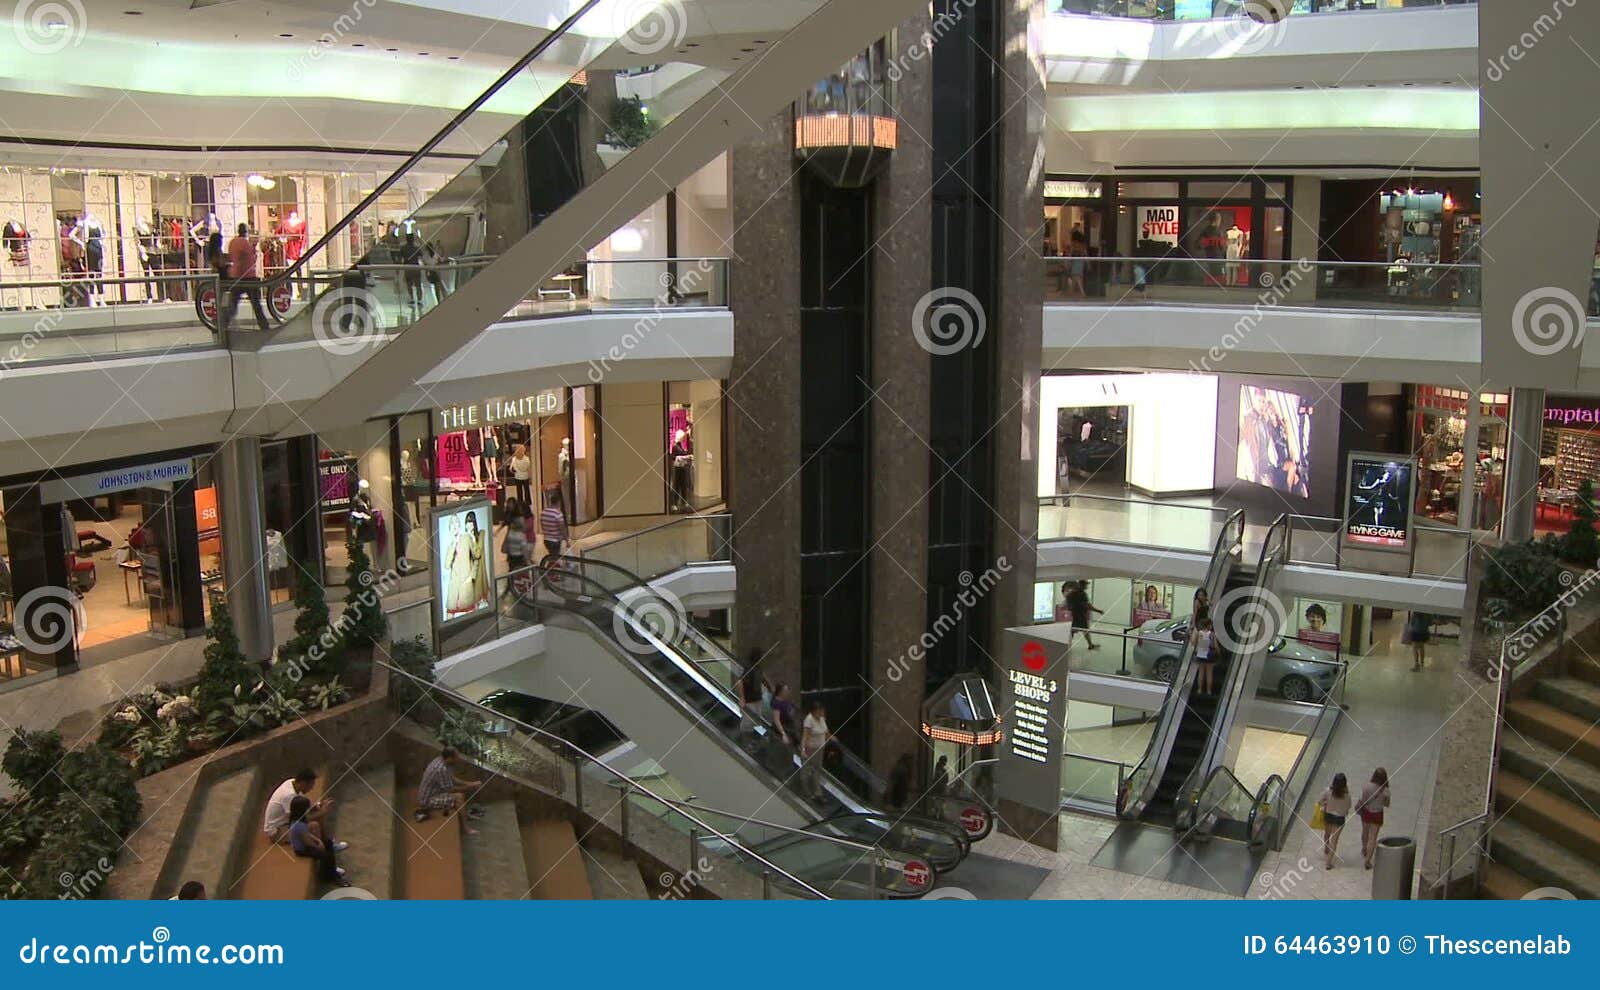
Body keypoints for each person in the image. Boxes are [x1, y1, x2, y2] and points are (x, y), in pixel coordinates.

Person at [262, 769, 347, 850]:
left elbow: (304, 804)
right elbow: (298, 819)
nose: (312, 788)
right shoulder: (288, 795)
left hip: (286, 823)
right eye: (311, 785)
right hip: (277, 832)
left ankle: (328, 844)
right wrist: (323, 812)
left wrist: (318, 806)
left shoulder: (291, 783)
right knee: (314, 826)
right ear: (303, 783)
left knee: (317, 815)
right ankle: (323, 851)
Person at [415, 746, 485, 833]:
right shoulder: (441, 769)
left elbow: (452, 778)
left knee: (459, 795)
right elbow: (451, 789)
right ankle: (466, 829)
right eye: (456, 757)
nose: (458, 759)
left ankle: (466, 816)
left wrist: (470, 783)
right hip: (428, 800)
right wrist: (471, 786)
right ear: (449, 758)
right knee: (458, 797)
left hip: (436, 792)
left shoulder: (441, 760)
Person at [287, 795, 350, 886]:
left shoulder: (299, 821)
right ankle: (331, 876)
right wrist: (319, 844)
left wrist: (318, 840)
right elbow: (307, 842)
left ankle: (332, 871)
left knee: (328, 843)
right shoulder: (298, 826)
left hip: (307, 844)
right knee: (325, 855)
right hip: (302, 850)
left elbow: (307, 835)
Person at [223, 223, 269, 332]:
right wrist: (254, 249)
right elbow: (251, 259)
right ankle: (264, 326)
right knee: (256, 304)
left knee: (233, 304)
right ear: (245, 232)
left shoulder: (232, 242)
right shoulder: (244, 242)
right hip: (248, 277)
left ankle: (223, 324)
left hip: (235, 276)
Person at [1357, 767, 1391, 870]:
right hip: (1377, 814)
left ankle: (1364, 848)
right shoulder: (1385, 790)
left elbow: (1363, 800)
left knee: (1365, 832)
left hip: (1366, 812)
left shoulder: (1367, 786)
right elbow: (1387, 804)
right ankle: (1368, 860)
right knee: (1373, 837)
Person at [1319, 772, 1352, 869]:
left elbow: (1320, 801)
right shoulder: (1347, 796)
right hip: (1339, 819)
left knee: (1327, 834)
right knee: (1334, 840)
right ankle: (1328, 863)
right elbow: (1348, 807)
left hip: (1328, 815)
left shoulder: (1328, 791)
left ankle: (1326, 847)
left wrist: (1326, 804)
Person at [799, 700, 830, 802]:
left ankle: (818, 794)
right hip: (810, 749)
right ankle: (807, 793)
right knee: (807, 771)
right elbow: (805, 736)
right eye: (820, 711)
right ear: (815, 711)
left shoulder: (822, 719)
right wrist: (803, 749)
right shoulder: (809, 720)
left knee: (817, 771)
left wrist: (830, 738)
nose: (822, 712)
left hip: (819, 749)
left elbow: (825, 732)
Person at [1066, 580, 1101, 649]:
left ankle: (1090, 644)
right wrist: (1098, 610)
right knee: (1081, 630)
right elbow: (1087, 605)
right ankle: (1089, 645)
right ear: (1081, 585)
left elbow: (1068, 600)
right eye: (1085, 585)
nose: (1086, 586)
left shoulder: (1072, 593)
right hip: (1080, 615)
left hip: (1075, 614)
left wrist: (1071, 607)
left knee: (1075, 630)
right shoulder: (1082, 594)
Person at [1191, 615, 1217, 694]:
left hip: (1201, 654)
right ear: (1208, 625)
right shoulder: (1212, 634)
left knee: (1201, 672)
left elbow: (1194, 643)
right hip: (1209, 655)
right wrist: (1218, 653)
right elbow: (1215, 645)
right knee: (1209, 673)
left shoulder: (1199, 633)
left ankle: (1200, 689)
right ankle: (1209, 690)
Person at [399, 232, 424, 312]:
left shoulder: (403, 248)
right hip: (416, 268)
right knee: (418, 284)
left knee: (409, 284)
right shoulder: (416, 248)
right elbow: (421, 256)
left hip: (408, 268)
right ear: (413, 239)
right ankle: (419, 299)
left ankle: (412, 298)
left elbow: (400, 258)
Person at [539, 491, 569, 559]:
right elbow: (562, 528)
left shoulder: (543, 512)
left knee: (551, 556)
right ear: (558, 502)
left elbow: (542, 525)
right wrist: (566, 540)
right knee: (555, 557)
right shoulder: (558, 514)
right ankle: (552, 568)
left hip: (546, 540)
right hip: (555, 540)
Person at [502, 505, 528, 572]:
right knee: (520, 572)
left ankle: (510, 581)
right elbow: (524, 548)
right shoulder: (521, 536)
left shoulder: (510, 533)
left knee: (511, 570)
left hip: (511, 556)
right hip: (519, 556)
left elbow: (506, 545)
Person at [508, 444, 533, 508]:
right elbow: (528, 468)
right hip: (525, 476)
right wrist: (530, 476)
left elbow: (510, 469)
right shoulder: (527, 459)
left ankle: (520, 502)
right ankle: (528, 501)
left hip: (517, 476)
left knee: (519, 491)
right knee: (526, 490)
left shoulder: (514, 459)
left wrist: (514, 471)